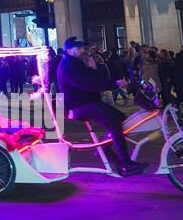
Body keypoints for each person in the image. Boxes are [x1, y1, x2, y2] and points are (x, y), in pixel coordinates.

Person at [57, 37, 146, 176]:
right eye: (78, 48)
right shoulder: (67, 66)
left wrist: (94, 67)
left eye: (82, 48)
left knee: (120, 118)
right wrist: (114, 84)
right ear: (69, 50)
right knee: (114, 124)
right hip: (79, 106)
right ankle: (125, 163)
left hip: (88, 102)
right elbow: (87, 84)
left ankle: (107, 151)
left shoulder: (76, 62)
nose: (81, 50)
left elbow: (94, 79)